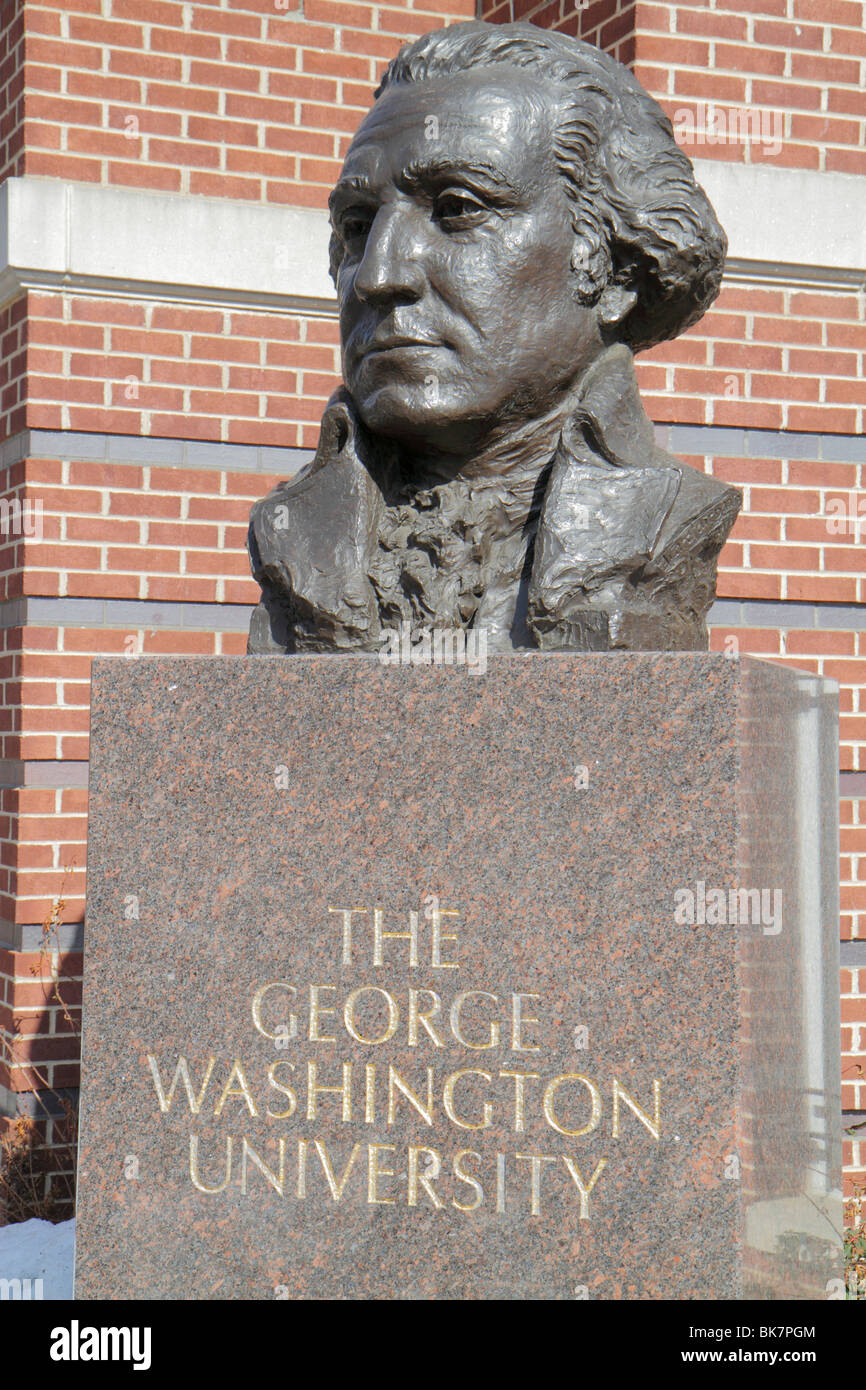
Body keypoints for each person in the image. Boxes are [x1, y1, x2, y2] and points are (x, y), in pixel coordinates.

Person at [247, 21, 741, 655]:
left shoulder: (660, 524)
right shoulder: (292, 531)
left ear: (613, 270)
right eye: (358, 223)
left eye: (458, 208)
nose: (378, 275)